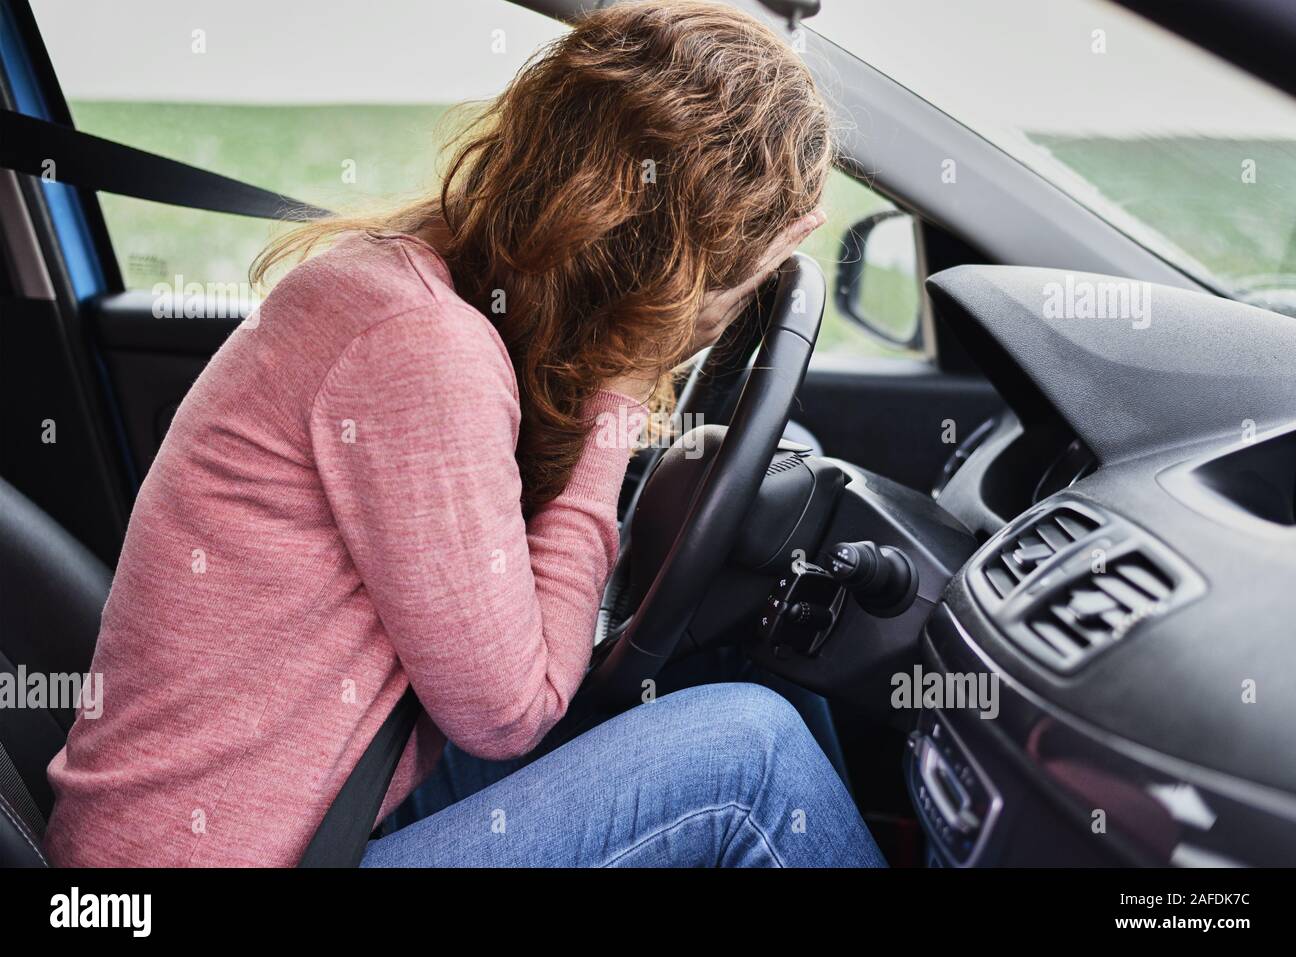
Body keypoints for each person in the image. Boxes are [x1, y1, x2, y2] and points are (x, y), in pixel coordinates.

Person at [44, 0, 884, 868]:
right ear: (668, 265)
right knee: (749, 755)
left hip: (339, 800)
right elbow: (509, 712)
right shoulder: (418, 343)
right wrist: (626, 385)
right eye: (729, 276)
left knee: (736, 668)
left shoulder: (419, 291)